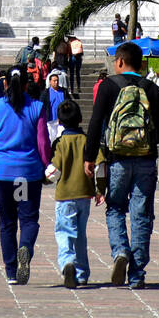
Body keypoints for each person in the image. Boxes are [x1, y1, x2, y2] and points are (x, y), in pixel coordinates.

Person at [84, 40, 159, 289]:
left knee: (115, 208)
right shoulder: (152, 89)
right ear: (141, 64)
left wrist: (89, 156)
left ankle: (120, 252)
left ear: (120, 62)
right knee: (142, 214)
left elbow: (95, 123)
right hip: (146, 160)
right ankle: (137, 274)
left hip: (116, 160)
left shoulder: (107, 86)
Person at [0, 66, 51, 285]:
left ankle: (11, 271)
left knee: (7, 222)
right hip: (26, 174)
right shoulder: (37, 107)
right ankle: (26, 248)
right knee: (28, 218)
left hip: (2, 172)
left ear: (4, 83)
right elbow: (42, 142)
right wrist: (47, 165)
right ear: (26, 84)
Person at [45, 99, 106, 287]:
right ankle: (81, 273)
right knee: (80, 234)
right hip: (85, 195)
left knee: (64, 232)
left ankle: (67, 263)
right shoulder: (88, 140)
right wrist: (100, 189)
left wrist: (45, 177)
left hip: (65, 196)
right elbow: (101, 167)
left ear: (60, 122)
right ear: (80, 118)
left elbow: (55, 170)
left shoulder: (60, 143)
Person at [41, 70, 67, 143]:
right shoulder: (46, 93)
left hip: (61, 120)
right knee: (51, 139)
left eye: (57, 80)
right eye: (54, 81)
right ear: (50, 82)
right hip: (50, 120)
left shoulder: (63, 91)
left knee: (61, 139)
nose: (56, 82)